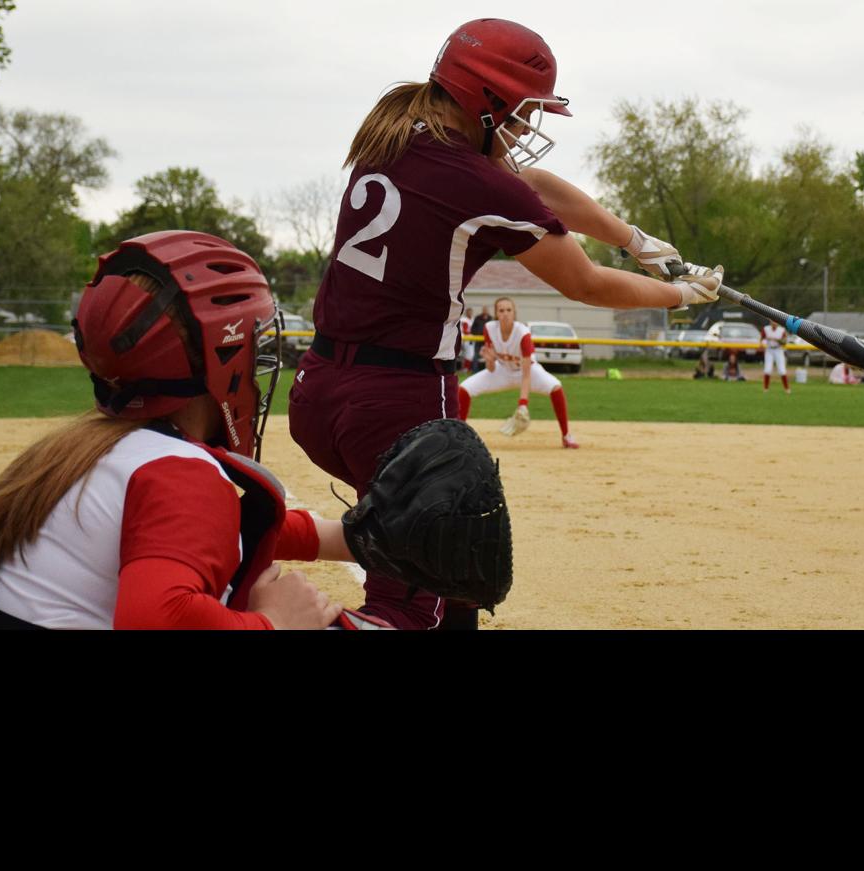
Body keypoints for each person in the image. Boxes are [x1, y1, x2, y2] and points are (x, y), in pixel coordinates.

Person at [289, 17, 725, 631]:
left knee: (453, 572)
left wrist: (635, 239)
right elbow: (585, 284)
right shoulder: (476, 181)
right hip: (398, 399)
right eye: (521, 111)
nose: (524, 127)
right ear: (484, 99)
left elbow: (534, 186)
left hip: (321, 388)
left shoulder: (398, 137)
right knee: (418, 600)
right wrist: (677, 294)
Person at [0, 231, 352, 631]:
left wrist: (352, 539)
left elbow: (209, 531)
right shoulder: (181, 473)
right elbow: (155, 619)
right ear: (223, 358)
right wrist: (274, 623)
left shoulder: (83, 449)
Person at [455, 297, 578, 448]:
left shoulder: (522, 333)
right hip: (503, 370)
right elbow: (491, 369)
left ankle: (566, 436)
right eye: (501, 310)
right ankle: (459, 436)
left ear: (514, 313)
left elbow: (526, 375)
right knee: (465, 388)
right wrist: (489, 360)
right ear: (496, 314)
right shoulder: (489, 328)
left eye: (509, 310)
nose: (505, 314)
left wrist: (523, 404)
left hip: (528, 371)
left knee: (556, 387)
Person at [761, 320, 791, 393]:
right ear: (770, 322)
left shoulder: (782, 330)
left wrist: (776, 339)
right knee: (767, 370)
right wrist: (763, 342)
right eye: (772, 321)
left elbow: (784, 342)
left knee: (782, 370)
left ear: (777, 323)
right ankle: (765, 389)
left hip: (778, 350)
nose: (774, 323)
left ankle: (787, 389)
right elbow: (761, 339)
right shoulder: (766, 329)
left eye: (775, 322)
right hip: (769, 349)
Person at [468, 305, 493, 373]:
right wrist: (477, 334)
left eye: (486, 309)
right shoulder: (478, 318)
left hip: (487, 340)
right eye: (484, 309)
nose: (485, 311)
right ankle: (475, 371)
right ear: (482, 310)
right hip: (478, 340)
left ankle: (487, 370)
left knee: (488, 356)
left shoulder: (491, 318)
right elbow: (473, 328)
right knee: (476, 355)